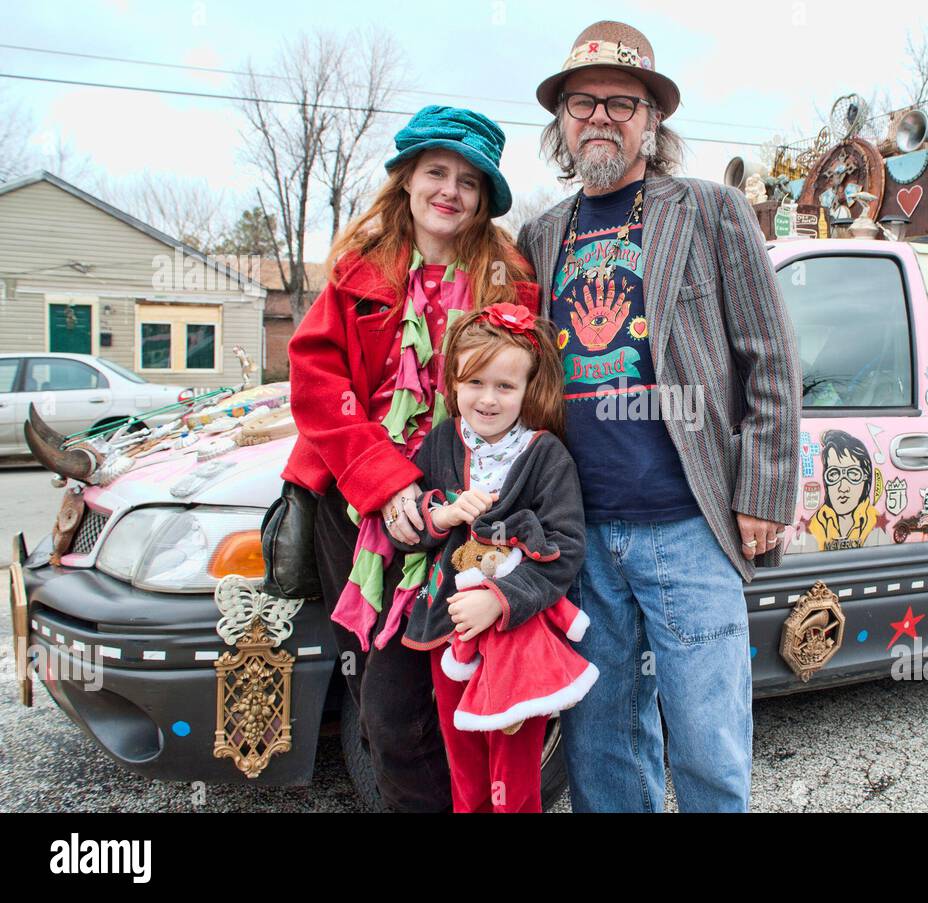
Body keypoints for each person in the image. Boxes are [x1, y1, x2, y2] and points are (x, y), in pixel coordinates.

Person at [515, 20, 801, 812]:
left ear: (652, 121)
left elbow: (770, 356)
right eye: (582, 103)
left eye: (622, 102)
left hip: (688, 527)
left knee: (708, 743)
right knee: (602, 742)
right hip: (580, 534)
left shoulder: (710, 212)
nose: (600, 117)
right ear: (561, 123)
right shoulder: (542, 235)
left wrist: (763, 492)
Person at [282, 105, 538, 812]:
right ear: (407, 179)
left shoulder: (510, 281)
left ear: (484, 197)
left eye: (468, 180)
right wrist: (386, 483)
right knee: (387, 709)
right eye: (436, 172)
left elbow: (529, 395)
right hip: (362, 510)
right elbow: (317, 378)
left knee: (468, 694)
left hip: (468, 514)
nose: (449, 190)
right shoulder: (359, 270)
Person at [384, 303, 592, 813]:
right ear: (454, 381)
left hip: (516, 637)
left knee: (514, 773)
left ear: (528, 389)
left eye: (505, 386)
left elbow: (565, 548)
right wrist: (446, 514)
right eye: (475, 382)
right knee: (465, 767)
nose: (489, 399)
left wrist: (500, 601)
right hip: (446, 627)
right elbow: (408, 534)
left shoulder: (546, 456)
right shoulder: (440, 444)